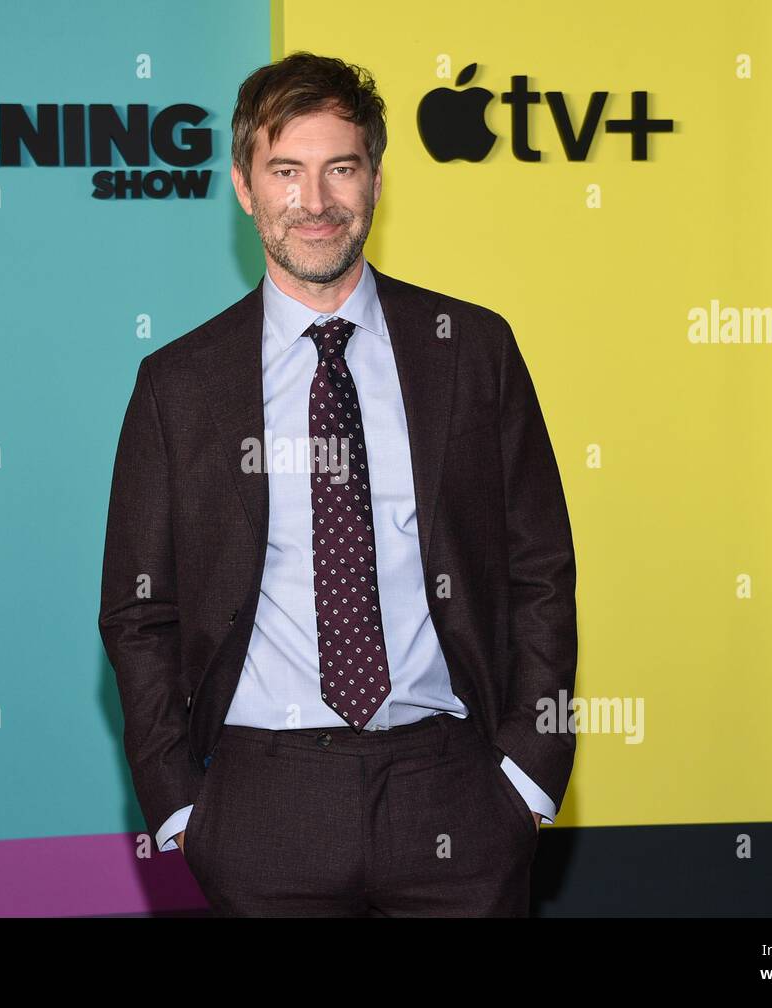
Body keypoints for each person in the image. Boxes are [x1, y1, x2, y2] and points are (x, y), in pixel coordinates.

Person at [98, 51, 577, 916]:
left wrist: (529, 777)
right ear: (244, 187)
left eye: (339, 168)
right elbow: (139, 612)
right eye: (286, 171)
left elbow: (539, 568)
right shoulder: (179, 385)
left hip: (458, 794)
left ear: (376, 180)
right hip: (260, 808)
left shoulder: (471, 350)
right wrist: (179, 802)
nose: (314, 203)